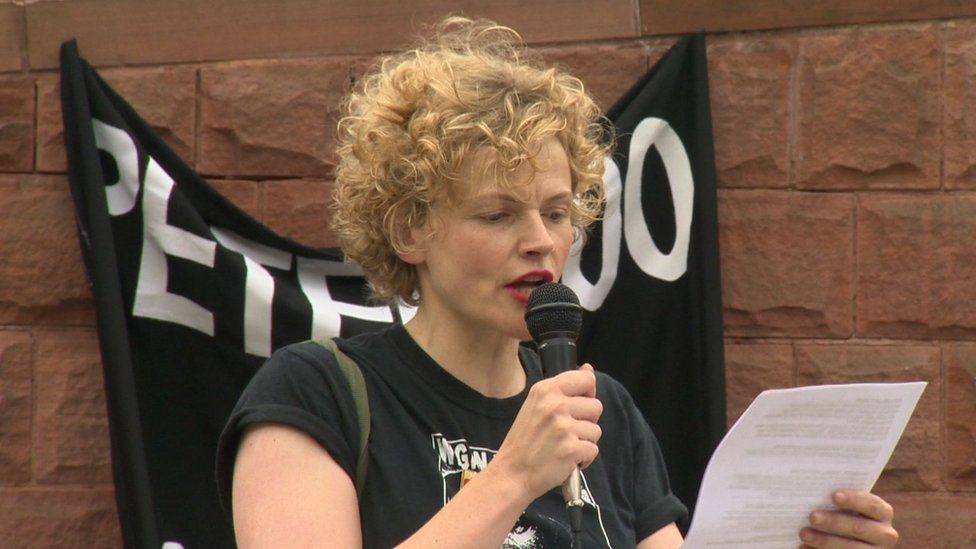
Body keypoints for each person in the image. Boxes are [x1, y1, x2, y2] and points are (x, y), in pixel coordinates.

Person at [216, 16, 899, 548]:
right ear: (408, 229)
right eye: (497, 214)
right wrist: (512, 477)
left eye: (556, 212)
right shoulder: (315, 393)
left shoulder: (605, 412)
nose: (540, 240)